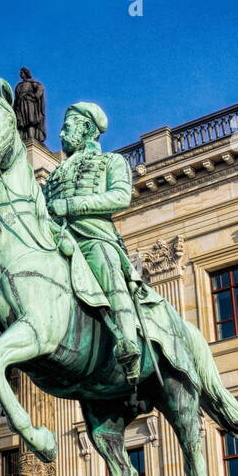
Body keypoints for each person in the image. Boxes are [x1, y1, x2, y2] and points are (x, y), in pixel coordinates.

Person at [43, 102, 143, 382]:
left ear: (87, 128)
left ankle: (128, 342)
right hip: (56, 239)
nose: (61, 132)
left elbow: (120, 198)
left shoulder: (111, 162)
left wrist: (71, 205)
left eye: (69, 124)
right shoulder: (54, 175)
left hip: (92, 235)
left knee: (105, 265)